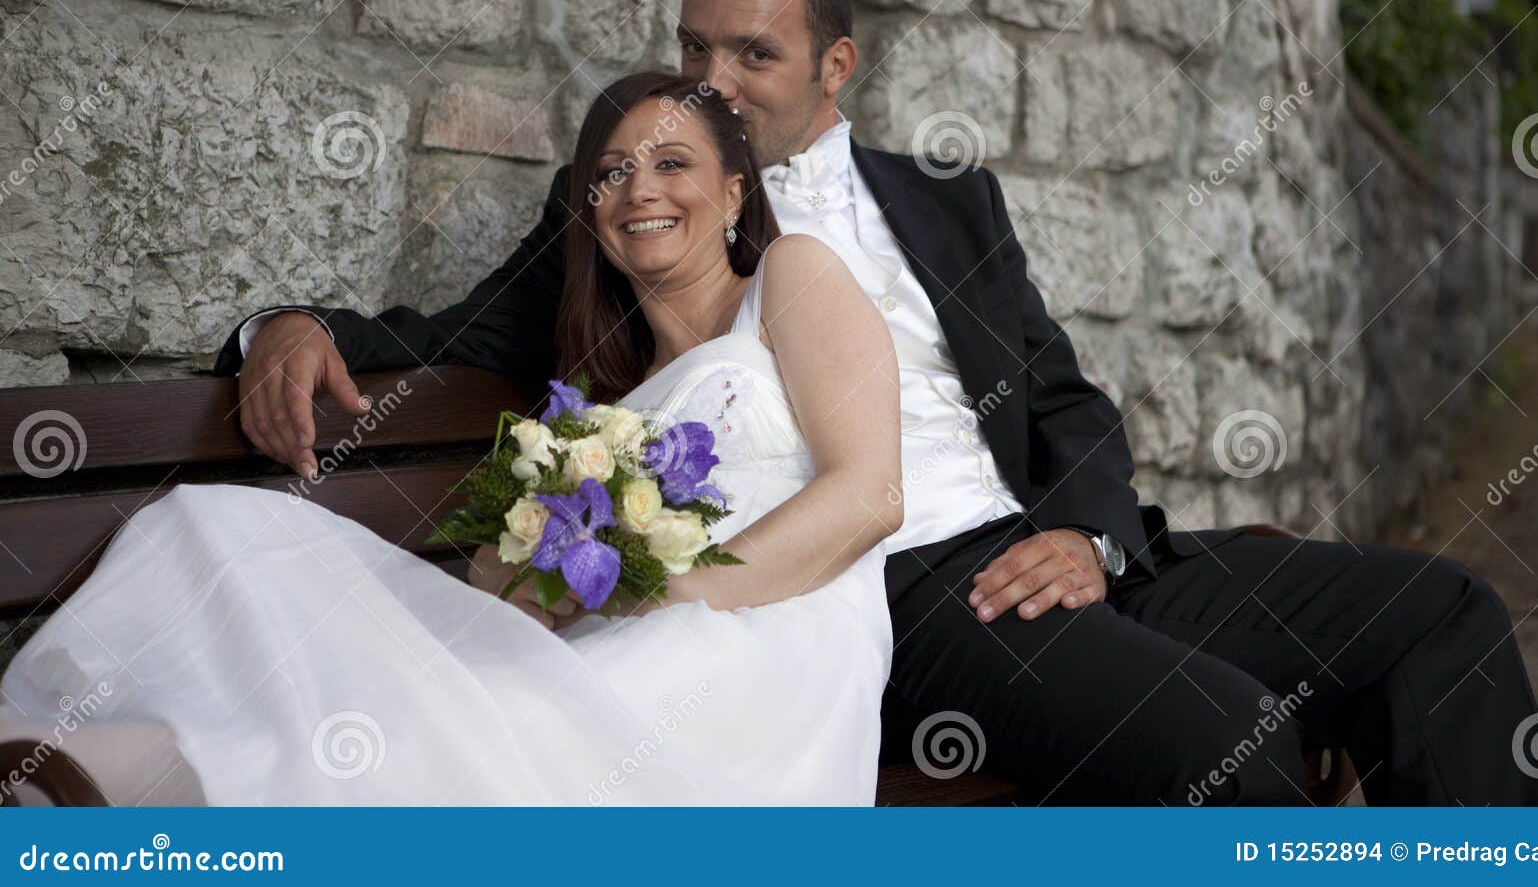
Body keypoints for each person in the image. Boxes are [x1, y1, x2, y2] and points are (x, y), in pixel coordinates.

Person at [219, 0, 1538, 805]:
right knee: (1235, 752)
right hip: (912, 586)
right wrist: (290, 327)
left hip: (1069, 550)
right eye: (695, 46)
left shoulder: (945, 202)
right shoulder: (653, 209)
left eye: (754, 52)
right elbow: (456, 339)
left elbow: (1061, 398)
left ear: (836, 65)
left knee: (1441, 618)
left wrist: (1093, 537)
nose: (715, 77)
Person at [0, 73, 903, 804]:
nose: (642, 191)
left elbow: (871, 494)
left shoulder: (790, 274)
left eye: (674, 162)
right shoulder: (603, 412)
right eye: (615, 172)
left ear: (736, 189)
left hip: (776, 643)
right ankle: (64, 778)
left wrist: (666, 596)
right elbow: (444, 373)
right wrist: (527, 576)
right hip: (641, 632)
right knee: (239, 543)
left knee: (447, 734)